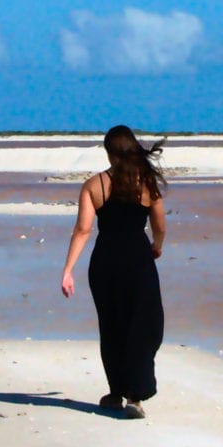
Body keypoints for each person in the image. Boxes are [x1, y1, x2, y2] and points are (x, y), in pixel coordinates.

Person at [59, 125, 167, 417]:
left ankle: (117, 391)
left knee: (113, 325)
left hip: (105, 261)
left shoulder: (95, 185)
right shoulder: (146, 183)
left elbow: (83, 230)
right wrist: (157, 245)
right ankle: (136, 394)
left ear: (108, 152)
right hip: (138, 260)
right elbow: (159, 226)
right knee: (146, 325)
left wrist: (68, 270)